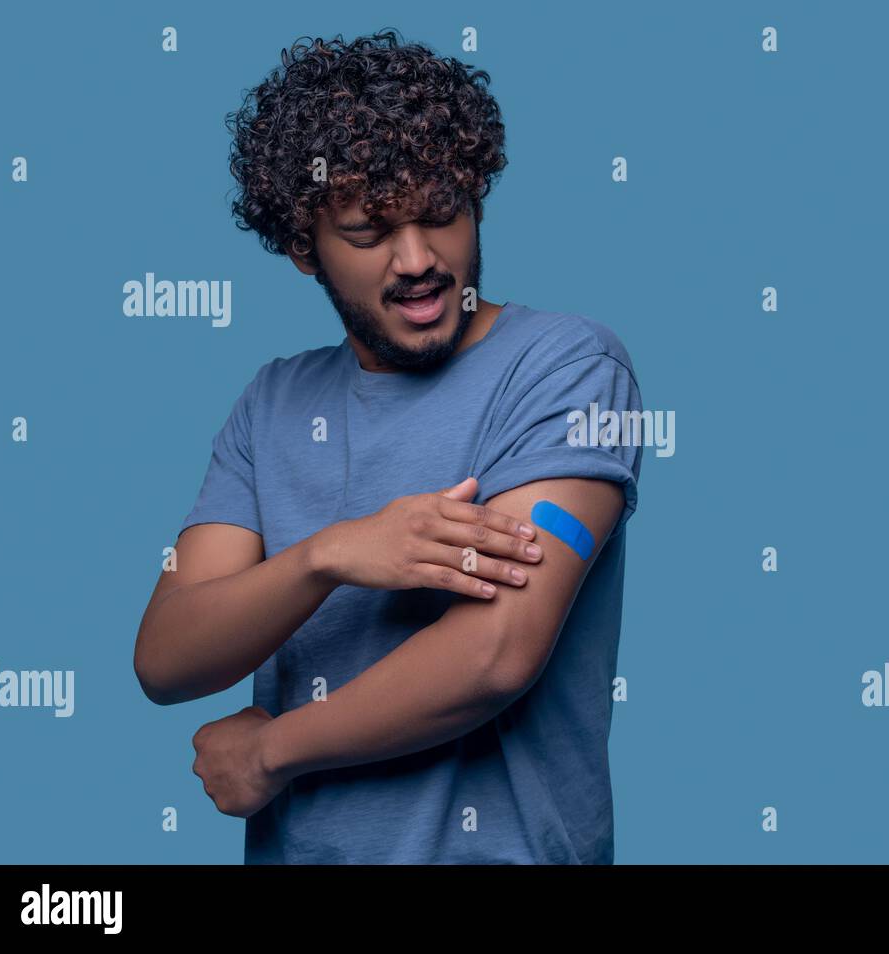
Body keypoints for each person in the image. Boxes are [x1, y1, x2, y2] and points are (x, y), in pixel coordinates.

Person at [132, 30, 643, 865]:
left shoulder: (570, 368)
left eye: (441, 214)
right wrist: (328, 556)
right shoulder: (273, 402)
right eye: (370, 233)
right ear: (304, 249)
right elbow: (166, 658)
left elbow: (496, 652)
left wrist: (268, 753)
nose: (419, 261)